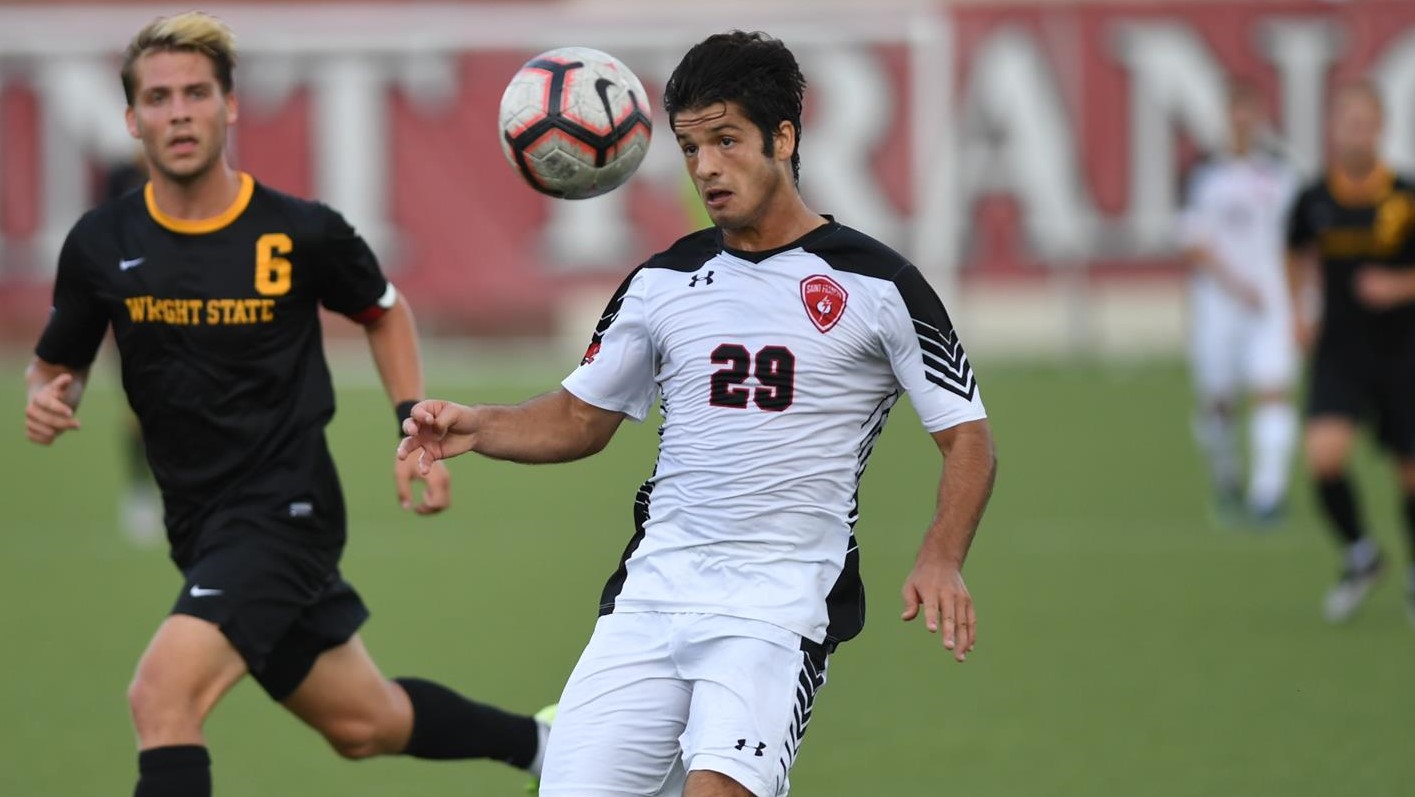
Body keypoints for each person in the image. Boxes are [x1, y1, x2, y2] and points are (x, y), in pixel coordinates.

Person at [400, 31, 997, 797]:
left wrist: (940, 555)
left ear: (783, 138)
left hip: (776, 613)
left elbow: (968, 439)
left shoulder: (879, 284)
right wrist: (477, 425)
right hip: (650, 599)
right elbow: (580, 420)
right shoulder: (661, 281)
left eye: (725, 140)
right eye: (688, 148)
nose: (706, 167)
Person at [22, 13, 547, 796]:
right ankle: (548, 745)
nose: (179, 113)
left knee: (161, 696)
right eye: (158, 98)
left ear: (230, 105)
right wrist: (46, 395)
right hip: (197, 522)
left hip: (284, 510)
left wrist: (413, 417)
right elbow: (54, 360)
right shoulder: (101, 242)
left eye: (197, 93)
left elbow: (381, 307)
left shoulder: (300, 232)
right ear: (131, 120)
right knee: (363, 723)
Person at [1286, 80, 1415, 624]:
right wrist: (1300, 310)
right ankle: (1362, 554)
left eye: (1363, 123)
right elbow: (1293, 253)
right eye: (1345, 123)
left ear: (1381, 127)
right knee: (1324, 457)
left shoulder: (1403, 197)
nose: (1353, 133)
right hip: (1340, 350)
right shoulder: (1314, 199)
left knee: (1408, 474)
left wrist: (1398, 287)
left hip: (1403, 352)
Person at [1178, 82, 1300, 525]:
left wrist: (1301, 301)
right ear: (1226, 118)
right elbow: (1193, 243)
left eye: (1250, 113)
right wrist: (1234, 283)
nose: (1242, 122)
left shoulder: (1283, 173)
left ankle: (1269, 494)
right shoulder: (1203, 174)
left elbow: (1300, 242)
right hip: (1218, 307)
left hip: (1271, 305)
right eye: (1235, 114)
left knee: (1273, 391)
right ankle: (1227, 479)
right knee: (1219, 402)